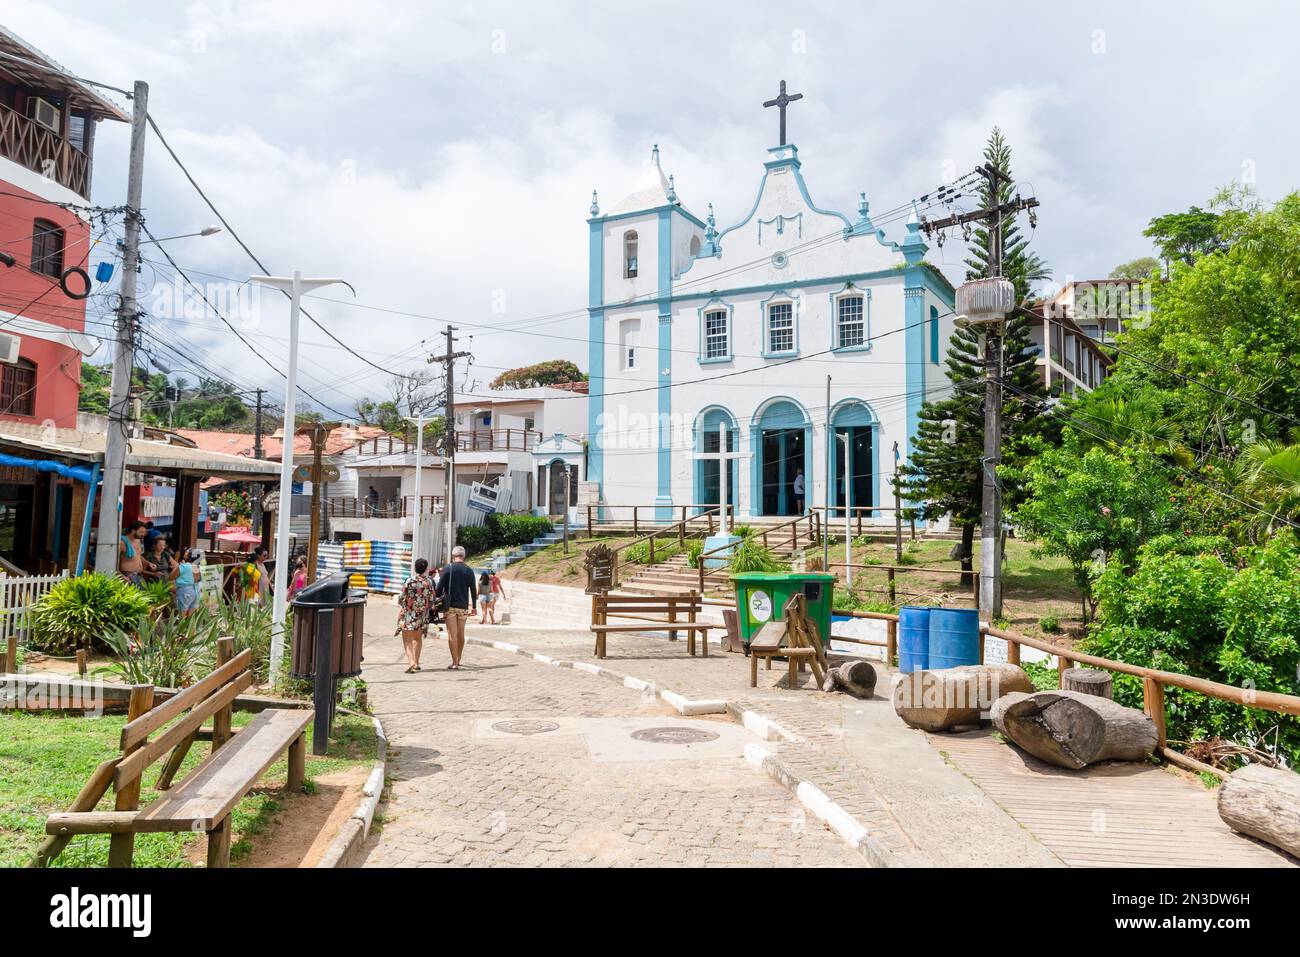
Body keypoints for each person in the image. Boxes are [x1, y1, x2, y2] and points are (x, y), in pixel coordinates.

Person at [435, 545, 477, 670]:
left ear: (453, 556)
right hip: (463, 606)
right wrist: (474, 606)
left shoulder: (448, 568)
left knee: (452, 634)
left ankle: (454, 662)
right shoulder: (469, 570)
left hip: (450, 606)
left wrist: (436, 600)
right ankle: (459, 658)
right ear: (464, 556)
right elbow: (473, 590)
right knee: (461, 634)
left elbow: (439, 588)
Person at [397, 558, 435, 673]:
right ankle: (417, 662)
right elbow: (432, 598)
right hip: (422, 615)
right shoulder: (429, 582)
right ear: (426, 569)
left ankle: (411, 662)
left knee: (407, 639)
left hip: (408, 614)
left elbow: (401, 597)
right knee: (418, 639)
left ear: (415, 568)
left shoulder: (409, 580)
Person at [175, 548, 203, 617]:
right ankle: (192, 628)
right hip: (197, 591)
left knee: (182, 617)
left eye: (186, 552)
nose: (185, 553)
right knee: (191, 618)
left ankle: (182, 628)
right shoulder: (198, 566)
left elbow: (171, 577)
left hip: (186, 592)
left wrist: (177, 565)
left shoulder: (184, 566)